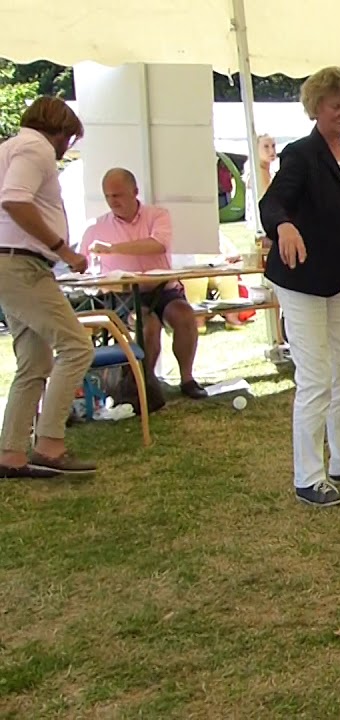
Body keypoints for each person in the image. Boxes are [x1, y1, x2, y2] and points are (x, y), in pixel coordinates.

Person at [258, 66, 340, 508]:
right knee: (315, 376)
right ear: (316, 108)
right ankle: (308, 475)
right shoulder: (301, 155)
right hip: (303, 281)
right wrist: (284, 226)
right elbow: (273, 202)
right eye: (336, 106)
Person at [0, 96, 97, 478]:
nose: (65, 149)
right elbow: (15, 201)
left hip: (12, 264)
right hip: (22, 264)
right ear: (61, 131)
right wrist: (63, 250)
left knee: (35, 361)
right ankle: (50, 445)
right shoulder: (35, 148)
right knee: (76, 347)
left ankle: (11, 453)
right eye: (69, 140)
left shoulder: (10, 146)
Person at [81, 168, 208, 399]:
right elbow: (83, 266)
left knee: (184, 315)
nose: (112, 201)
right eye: (108, 196)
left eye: (118, 195)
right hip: (125, 296)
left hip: (163, 289)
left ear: (135, 192)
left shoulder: (157, 215)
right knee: (148, 325)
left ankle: (187, 379)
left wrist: (112, 249)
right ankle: (144, 385)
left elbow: (158, 244)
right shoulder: (96, 227)